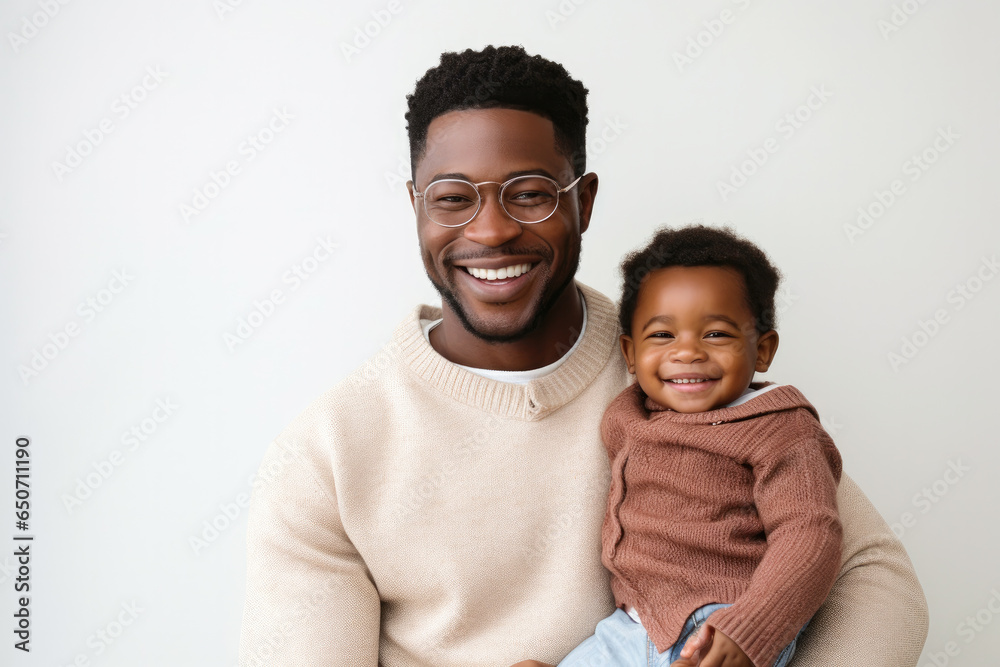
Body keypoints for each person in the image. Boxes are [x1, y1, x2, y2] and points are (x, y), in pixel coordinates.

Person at [238, 45, 928, 667]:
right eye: (452, 199)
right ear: (416, 205)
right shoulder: (328, 452)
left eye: (531, 193)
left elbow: (875, 580)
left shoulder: (680, 363)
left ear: (584, 201)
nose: (492, 229)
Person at [558, 225, 842, 667]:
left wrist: (750, 630)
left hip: (723, 621)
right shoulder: (625, 416)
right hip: (633, 625)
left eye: (715, 335)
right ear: (629, 354)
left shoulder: (780, 430)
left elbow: (810, 533)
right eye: (662, 336)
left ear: (762, 350)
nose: (687, 352)